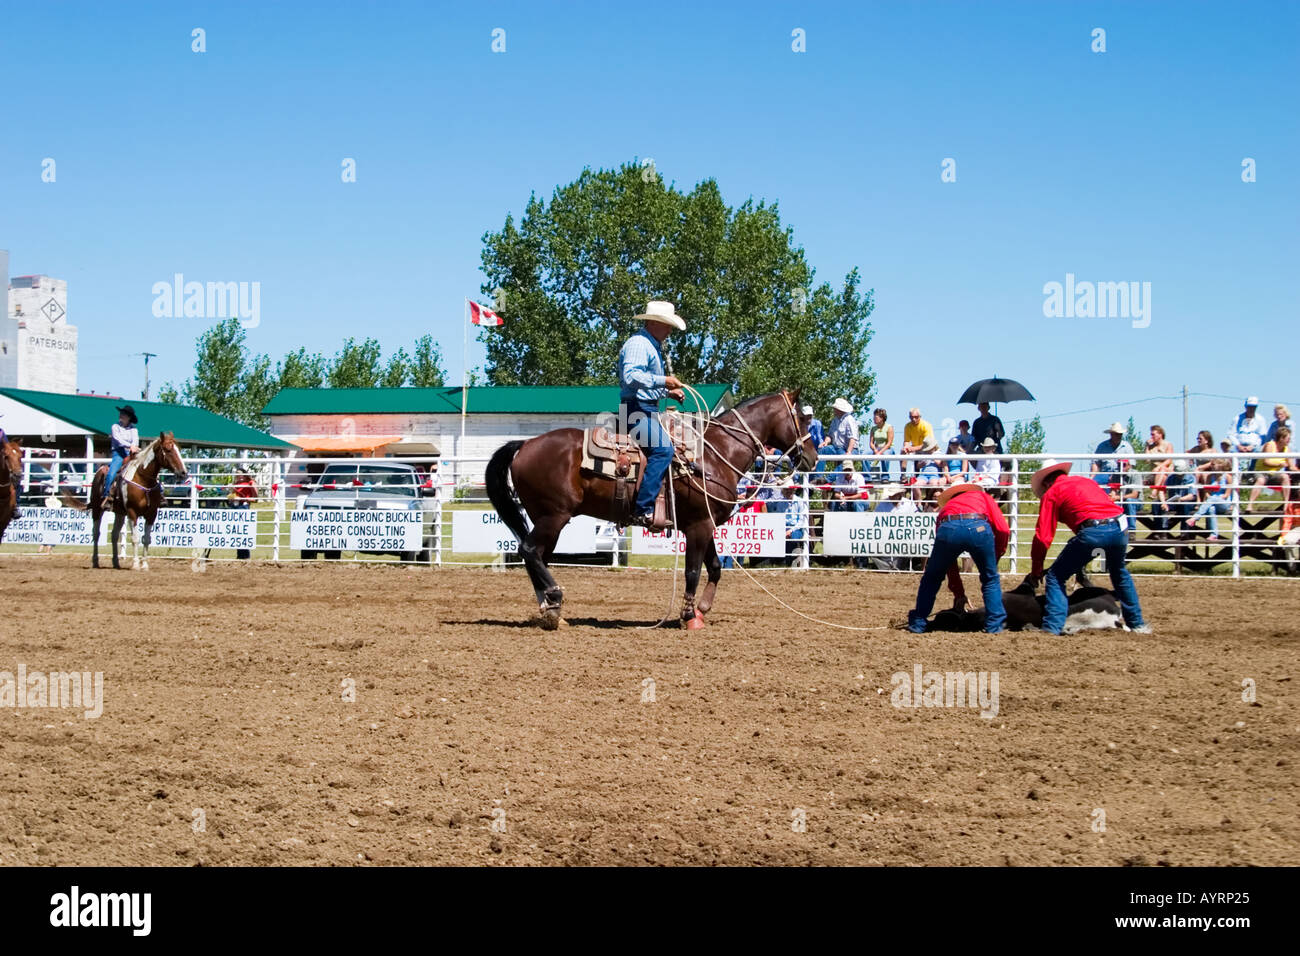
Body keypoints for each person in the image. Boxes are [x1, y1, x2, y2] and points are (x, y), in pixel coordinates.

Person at [1023, 460, 1149, 635]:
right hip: (1120, 525)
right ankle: (1137, 624)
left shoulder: (1051, 493)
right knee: (1119, 571)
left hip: (1093, 531)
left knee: (1055, 577)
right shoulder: (1086, 482)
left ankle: (1052, 626)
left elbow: (1043, 537)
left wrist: (1037, 568)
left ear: (1046, 482)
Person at [618, 301, 687, 527]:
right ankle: (642, 509)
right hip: (635, 410)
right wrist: (664, 381)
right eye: (666, 326)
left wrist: (668, 392)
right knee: (663, 450)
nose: (669, 331)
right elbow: (631, 377)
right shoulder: (639, 344)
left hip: (645, 408)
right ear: (653, 322)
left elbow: (644, 382)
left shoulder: (651, 345)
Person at [906, 482, 1008, 634]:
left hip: (948, 527)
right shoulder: (983, 496)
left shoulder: (945, 509)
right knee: (990, 578)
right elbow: (1003, 529)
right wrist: (996, 555)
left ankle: (919, 622)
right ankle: (994, 625)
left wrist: (958, 592)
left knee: (932, 578)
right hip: (978, 525)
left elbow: (949, 564)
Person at [102, 404, 140, 510]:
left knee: (144, 468)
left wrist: (134, 446)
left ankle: (158, 493)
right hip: (118, 453)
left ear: (129, 417)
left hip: (130, 453)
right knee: (112, 473)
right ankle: (106, 496)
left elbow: (135, 440)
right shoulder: (115, 427)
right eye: (121, 413)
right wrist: (131, 446)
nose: (120, 415)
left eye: (123, 414)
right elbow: (118, 440)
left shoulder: (134, 429)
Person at [1248, 426, 1291, 510]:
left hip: (1273, 474)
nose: (1289, 440)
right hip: (1261, 472)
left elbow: (1290, 465)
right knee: (1261, 480)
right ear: (1281, 438)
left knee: (1285, 477)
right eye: (1287, 438)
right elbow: (1266, 461)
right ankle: (1250, 505)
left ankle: (1286, 504)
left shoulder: (1287, 449)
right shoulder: (1270, 445)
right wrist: (1280, 464)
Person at [820, 398, 859, 471]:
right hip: (837, 448)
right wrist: (825, 442)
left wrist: (849, 452)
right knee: (822, 450)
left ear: (839, 409)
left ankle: (828, 480)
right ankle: (818, 477)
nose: (834, 410)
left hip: (849, 448)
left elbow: (853, 438)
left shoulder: (849, 420)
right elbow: (830, 435)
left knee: (845, 462)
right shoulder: (835, 420)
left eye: (835, 408)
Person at [901, 408, 938, 482]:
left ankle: (924, 477)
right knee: (903, 451)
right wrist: (906, 447)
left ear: (920, 416)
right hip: (916, 450)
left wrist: (913, 448)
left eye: (916, 417)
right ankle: (903, 475)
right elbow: (906, 441)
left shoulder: (926, 425)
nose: (914, 419)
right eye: (911, 417)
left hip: (927, 449)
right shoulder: (907, 426)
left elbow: (929, 444)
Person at [228, 470, 257, 559]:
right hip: (235, 507)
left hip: (243, 507)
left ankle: (245, 555)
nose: (239, 476)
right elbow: (232, 496)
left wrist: (241, 498)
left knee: (243, 531)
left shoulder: (251, 483)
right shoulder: (235, 484)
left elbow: (255, 498)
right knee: (237, 532)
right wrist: (232, 497)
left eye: (241, 474)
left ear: (245, 475)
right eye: (237, 474)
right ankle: (240, 555)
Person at [868, 408, 894, 483]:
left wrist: (880, 452)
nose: (873, 418)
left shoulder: (889, 427)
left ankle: (885, 477)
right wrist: (875, 450)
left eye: (876, 417)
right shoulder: (873, 428)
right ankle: (867, 477)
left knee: (885, 455)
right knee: (864, 455)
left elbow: (889, 443)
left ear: (882, 418)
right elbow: (871, 443)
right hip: (877, 449)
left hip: (887, 449)